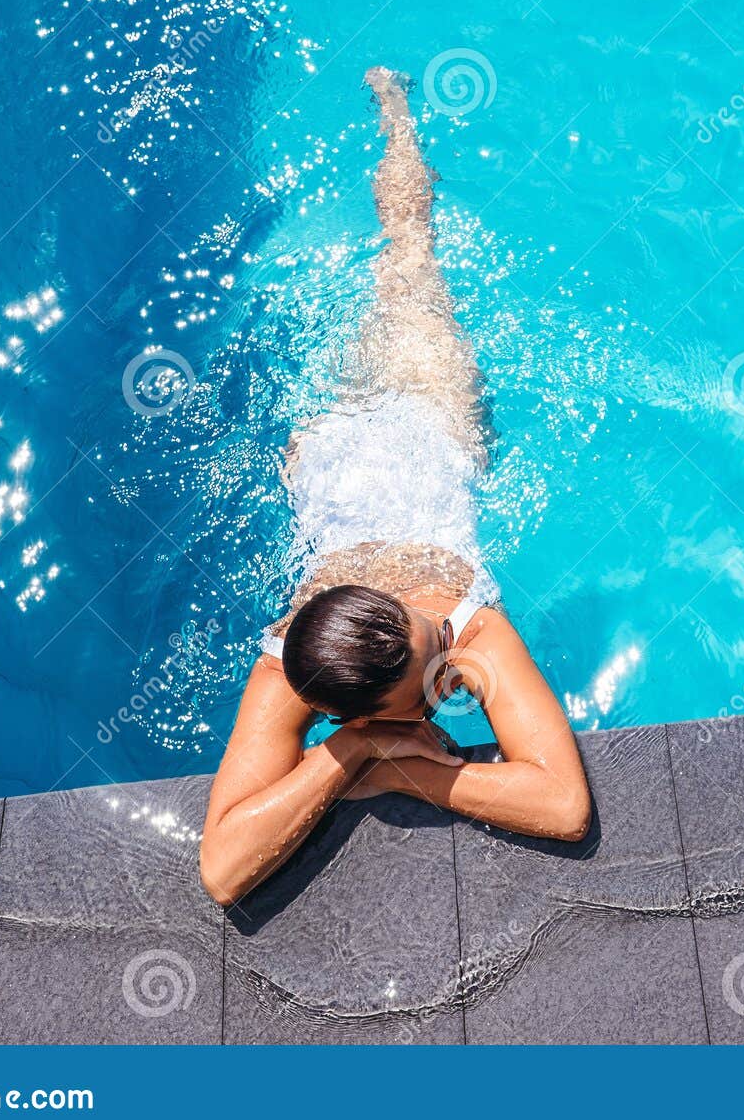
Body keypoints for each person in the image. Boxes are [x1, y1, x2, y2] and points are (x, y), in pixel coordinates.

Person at [199, 68, 590, 908]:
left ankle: (397, 112)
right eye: (426, 667)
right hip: (339, 453)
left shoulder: (460, 625)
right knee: (397, 260)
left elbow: (565, 805)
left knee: (410, 247)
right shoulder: (289, 668)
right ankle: (392, 113)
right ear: (354, 709)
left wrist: (409, 772)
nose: (440, 645)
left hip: (414, 413)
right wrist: (353, 757)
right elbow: (220, 871)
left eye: (422, 637)